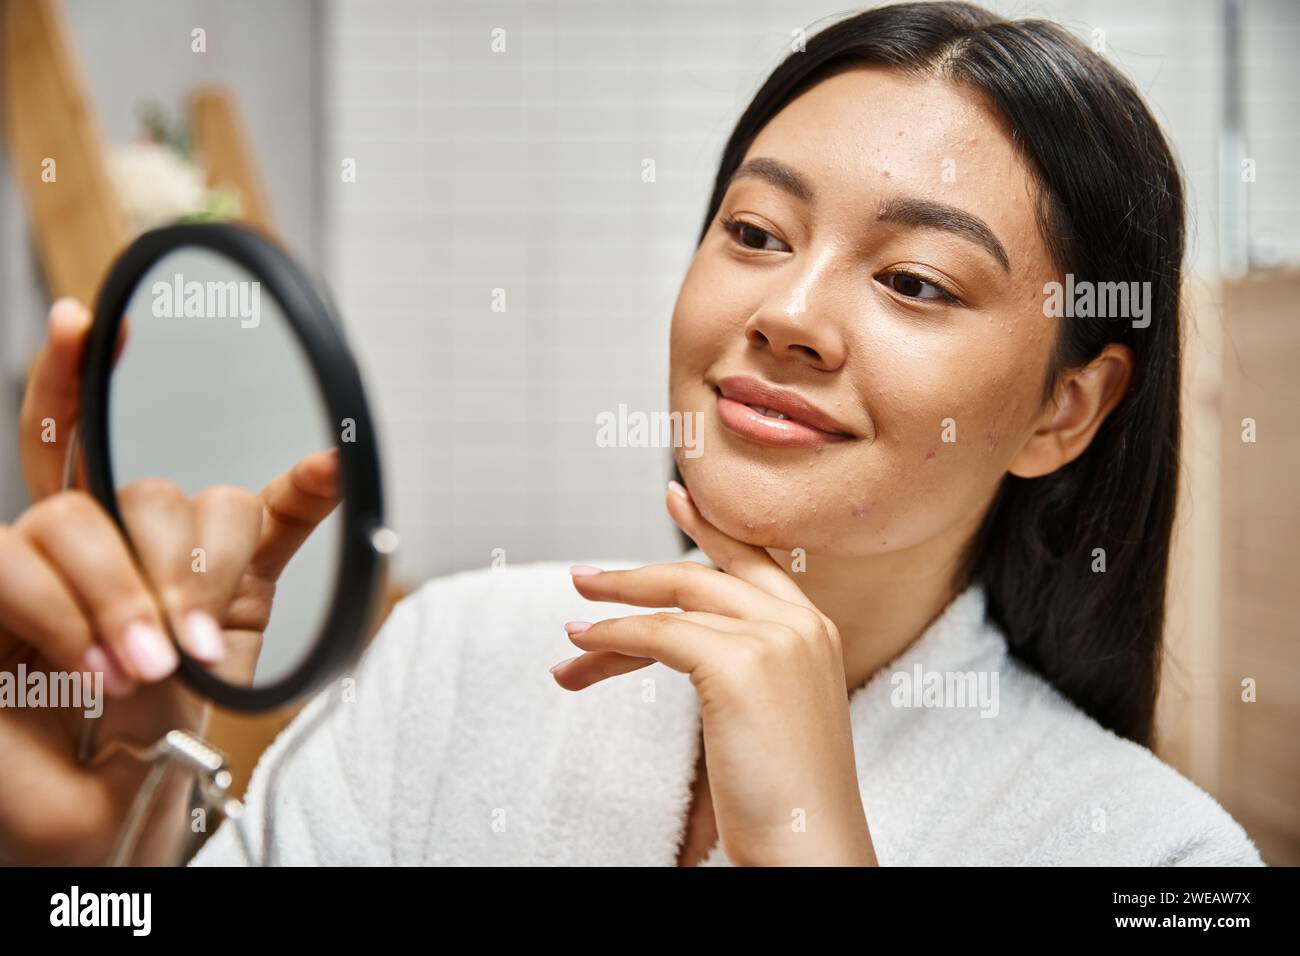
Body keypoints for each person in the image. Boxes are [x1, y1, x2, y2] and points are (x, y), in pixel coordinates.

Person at [0, 2, 1263, 866]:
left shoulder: (1159, 853)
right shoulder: (454, 655)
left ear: (1064, 408)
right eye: (756, 232)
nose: (787, 313)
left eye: (916, 281)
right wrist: (96, 859)